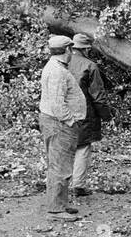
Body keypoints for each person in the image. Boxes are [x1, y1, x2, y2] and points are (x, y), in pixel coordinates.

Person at [39, 34, 87, 220]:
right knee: (60, 166)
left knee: (60, 164)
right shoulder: (57, 71)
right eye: (71, 50)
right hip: (60, 124)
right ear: (67, 50)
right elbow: (58, 104)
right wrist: (71, 120)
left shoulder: (54, 67)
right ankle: (56, 209)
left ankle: (60, 203)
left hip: (56, 122)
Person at [67, 32, 113, 197]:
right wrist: (107, 116)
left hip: (63, 112)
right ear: (86, 49)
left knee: (65, 147)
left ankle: (62, 183)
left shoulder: (62, 62)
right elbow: (98, 96)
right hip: (85, 113)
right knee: (83, 147)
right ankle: (78, 185)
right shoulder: (90, 66)